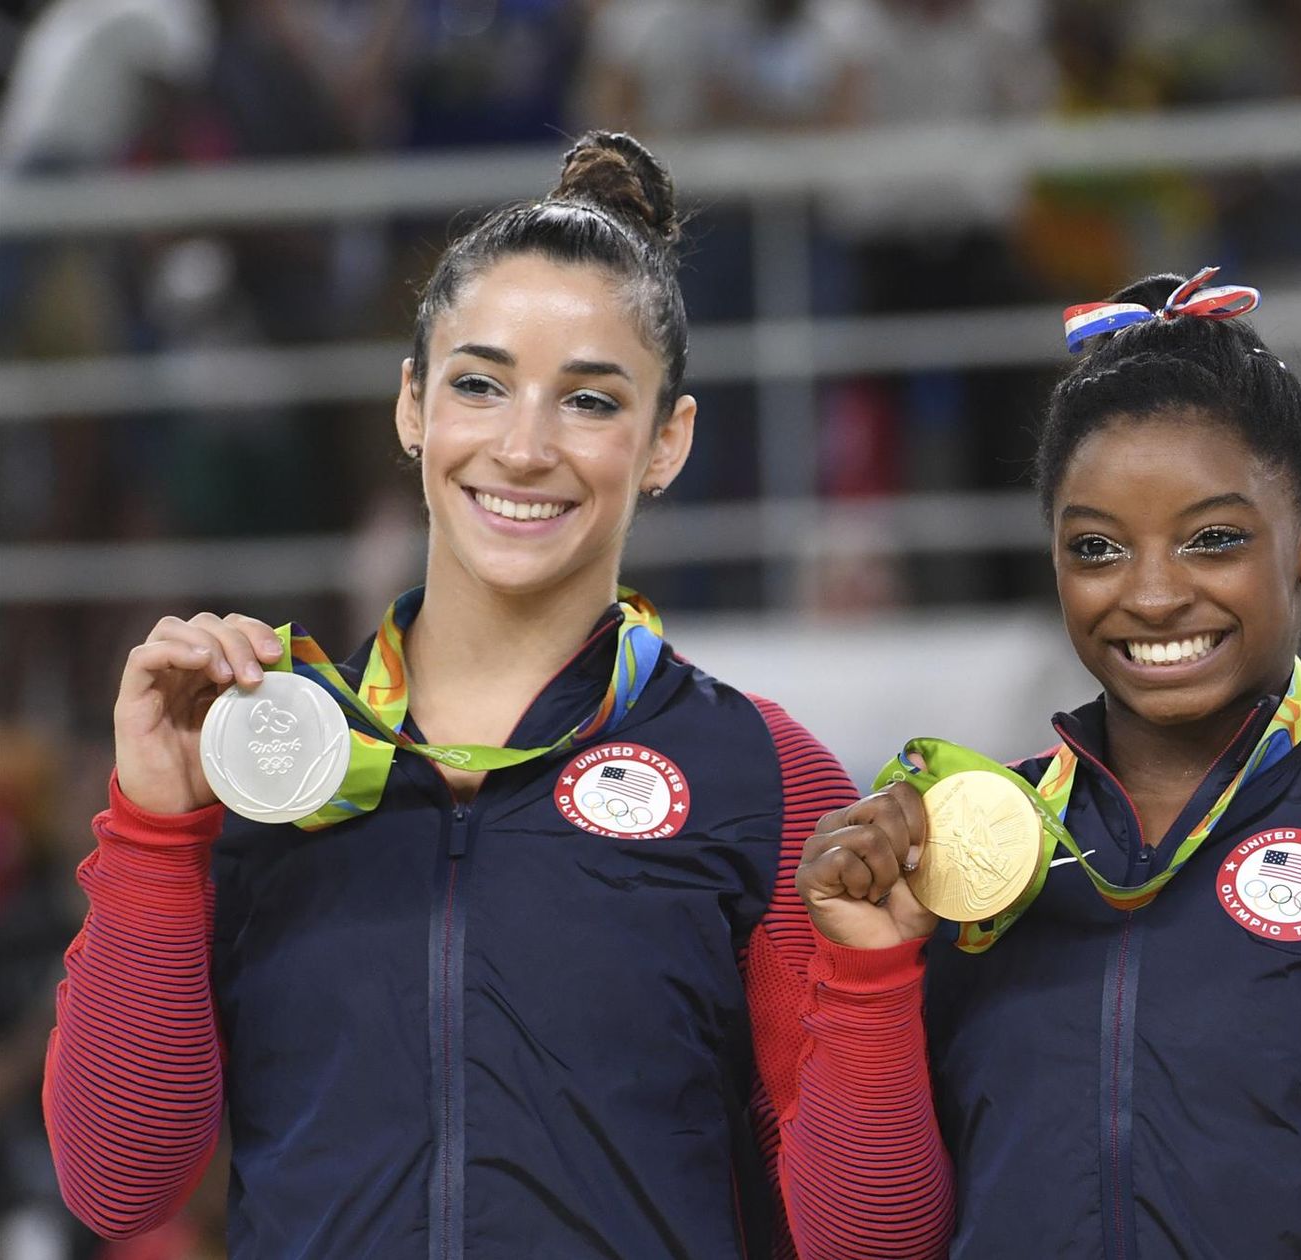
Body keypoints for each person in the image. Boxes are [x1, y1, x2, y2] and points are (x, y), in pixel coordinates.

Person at [43, 131, 855, 1256]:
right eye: (480, 385)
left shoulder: (762, 778)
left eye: (589, 402)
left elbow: (873, 1232)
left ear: (668, 443)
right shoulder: (259, 754)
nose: (522, 448)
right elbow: (118, 1183)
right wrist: (156, 830)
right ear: (413, 406)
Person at [779, 270, 1301, 1257]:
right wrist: (866, 968)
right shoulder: (956, 850)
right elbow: (863, 1247)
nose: (1152, 596)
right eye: (1099, 549)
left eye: (1212, 540)